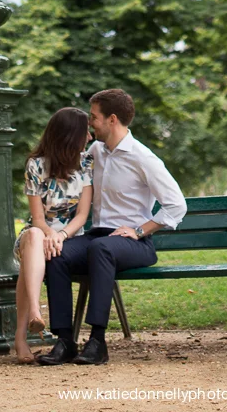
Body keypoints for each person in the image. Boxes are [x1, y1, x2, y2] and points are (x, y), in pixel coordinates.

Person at [38, 87, 187, 368]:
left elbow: (177, 205)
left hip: (134, 244)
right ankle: (65, 341)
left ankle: (97, 341)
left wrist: (140, 230)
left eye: (93, 117)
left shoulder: (143, 158)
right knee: (58, 253)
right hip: (98, 238)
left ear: (112, 119)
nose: (89, 123)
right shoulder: (96, 151)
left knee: (102, 247)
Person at [14, 106, 93, 365]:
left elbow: (82, 215)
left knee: (36, 249)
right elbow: (37, 218)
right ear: (70, 135)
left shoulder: (86, 164)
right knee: (35, 237)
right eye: (85, 133)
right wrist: (50, 234)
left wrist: (61, 236)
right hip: (37, 234)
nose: (90, 138)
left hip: (70, 238)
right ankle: (36, 312)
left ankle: (22, 337)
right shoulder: (35, 165)